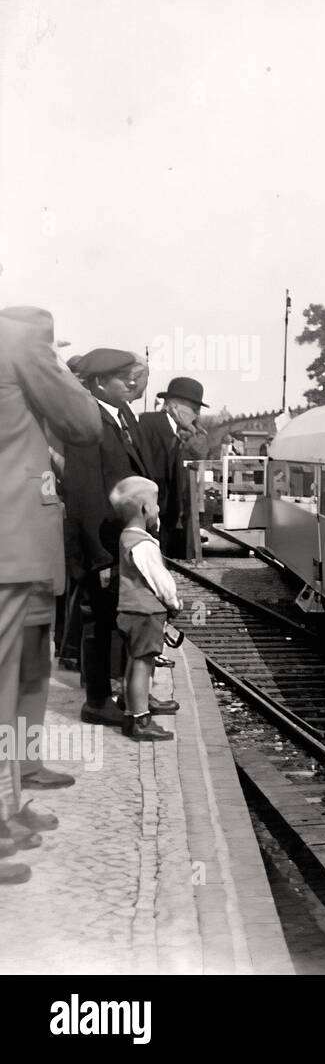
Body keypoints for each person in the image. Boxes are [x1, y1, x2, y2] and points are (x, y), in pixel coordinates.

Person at [0, 307, 101, 883]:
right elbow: (83, 422)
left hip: (24, 549)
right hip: (11, 544)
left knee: (23, 678)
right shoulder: (18, 339)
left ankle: (11, 803)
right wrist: (46, 353)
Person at [61, 347, 177, 727]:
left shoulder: (124, 414)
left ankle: (132, 696)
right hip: (105, 545)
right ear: (97, 383)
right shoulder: (85, 422)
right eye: (121, 377)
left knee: (125, 624)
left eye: (133, 375)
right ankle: (96, 700)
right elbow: (85, 495)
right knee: (101, 623)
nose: (132, 382)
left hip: (124, 538)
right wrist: (99, 559)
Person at [108, 477, 181, 741]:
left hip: (129, 611)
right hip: (145, 613)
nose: (159, 509)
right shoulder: (144, 545)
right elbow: (160, 580)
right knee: (142, 664)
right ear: (144, 508)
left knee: (133, 663)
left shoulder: (127, 537)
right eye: (156, 504)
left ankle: (132, 711)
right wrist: (174, 602)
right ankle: (140, 720)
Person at [136, 377, 208, 558]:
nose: (196, 415)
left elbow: (200, 455)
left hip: (167, 512)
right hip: (147, 507)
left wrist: (193, 436)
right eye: (194, 409)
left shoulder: (182, 432)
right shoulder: (147, 422)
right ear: (176, 405)